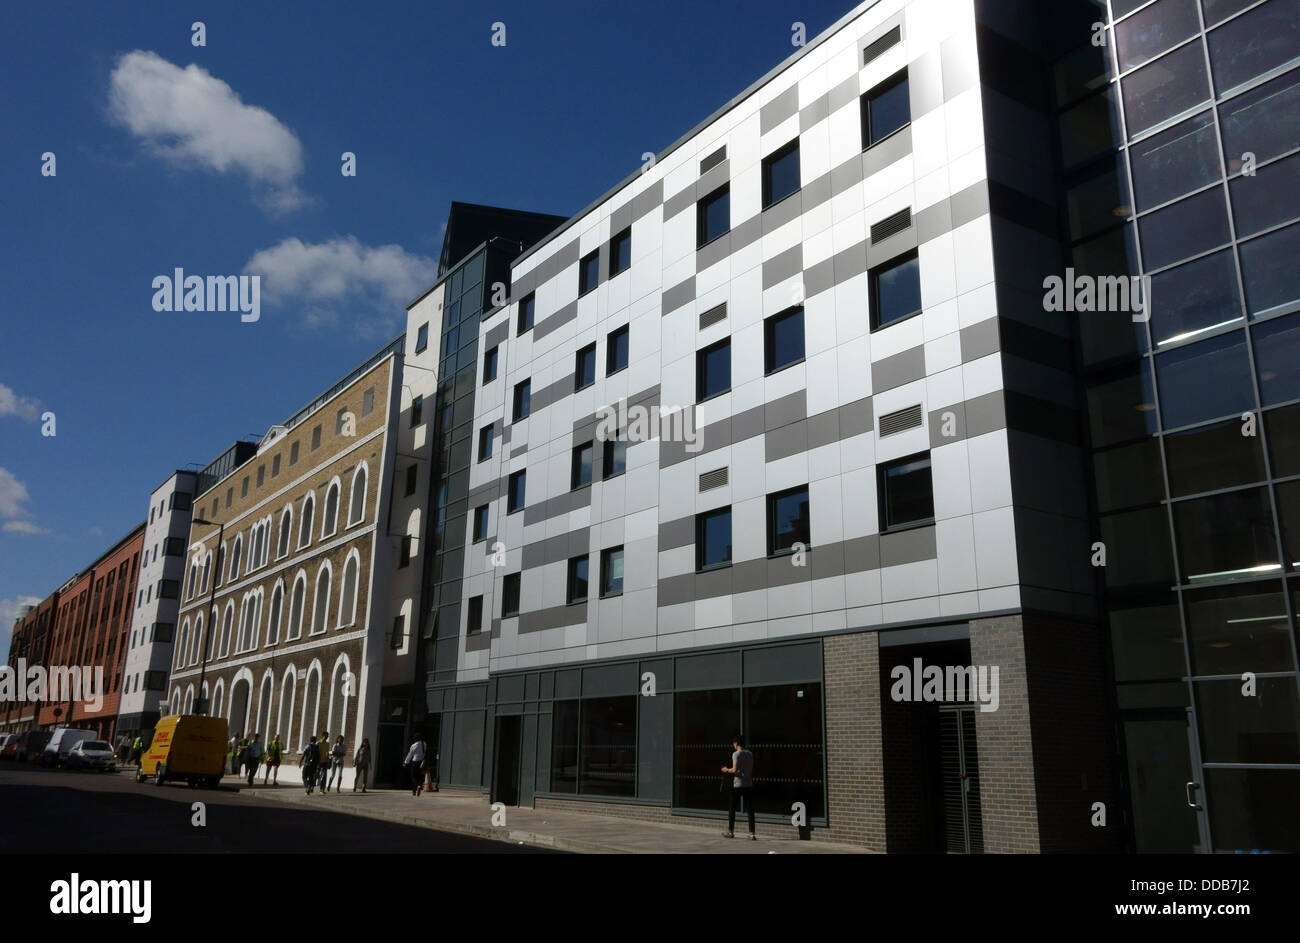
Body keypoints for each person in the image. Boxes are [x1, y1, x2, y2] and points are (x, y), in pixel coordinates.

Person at [721, 734, 756, 840]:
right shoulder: (750, 753)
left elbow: (735, 770)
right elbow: (750, 769)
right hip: (748, 784)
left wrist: (726, 769)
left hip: (738, 785)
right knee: (750, 809)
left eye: (733, 743)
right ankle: (752, 833)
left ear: (736, 743)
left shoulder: (736, 754)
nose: (733, 745)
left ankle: (730, 832)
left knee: (732, 808)